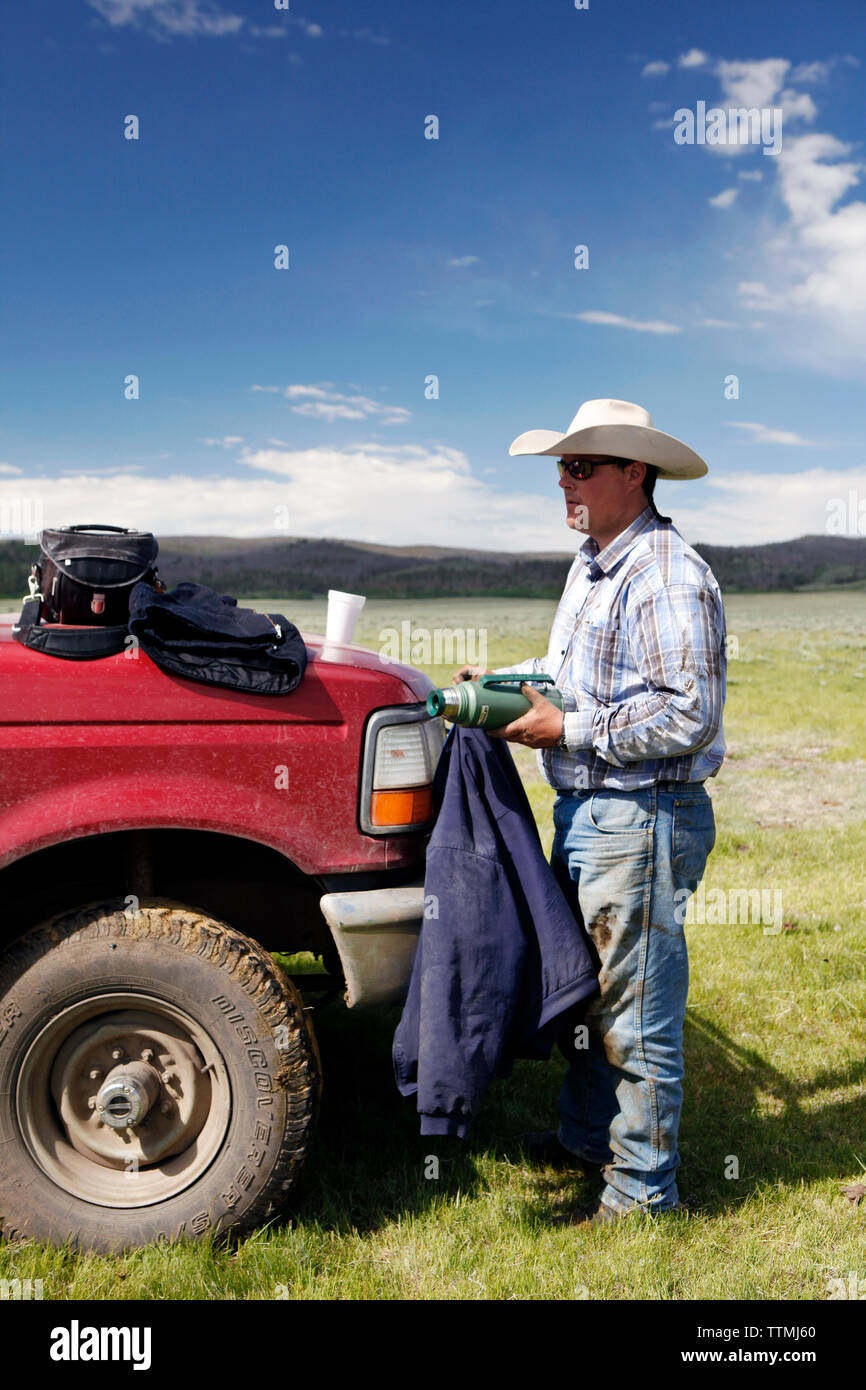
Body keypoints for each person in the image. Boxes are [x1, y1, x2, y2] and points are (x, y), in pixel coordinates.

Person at [453, 397, 726, 1226]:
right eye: (560, 468)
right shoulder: (594, 561)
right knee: (591, 994)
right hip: (595, 812)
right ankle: (585, 1137)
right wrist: (496, 687)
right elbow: (570, 668)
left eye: (580, 467)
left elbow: (690, 711)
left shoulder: (666, 572)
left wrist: (567, 728)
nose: (563, 483)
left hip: (641, 816)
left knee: (635, 1014)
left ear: (633, 473)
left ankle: (643, 1195)